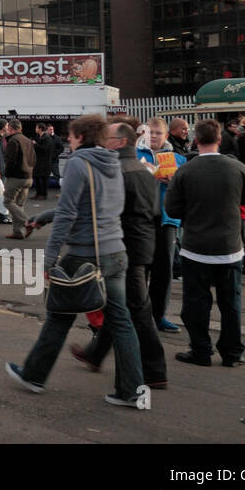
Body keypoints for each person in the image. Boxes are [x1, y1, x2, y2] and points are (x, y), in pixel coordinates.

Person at [6, 114, 145, 408]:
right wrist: (43, 217)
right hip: (115, 251)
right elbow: (94, 207)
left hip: (84, 254)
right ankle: (131, 390)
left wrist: (48, 260)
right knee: (121, 322)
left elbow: (69, 213)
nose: (68, 141)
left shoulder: (79, 164)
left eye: (70, 136)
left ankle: (34, 375)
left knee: (59, 316)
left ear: (81, 137)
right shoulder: (113, 164)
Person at [70, 122, 167, 388]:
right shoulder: (145, 170)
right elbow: (155, 212)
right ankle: (95, 353)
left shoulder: (116, 172)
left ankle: (155, 370)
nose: (102, 140)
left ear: (120, 142)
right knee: (118, 303)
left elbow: (106, 212)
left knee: (136, 309)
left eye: (107, 137)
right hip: (142, 245)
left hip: (126, 248)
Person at [165, 119, 245, 367]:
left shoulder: (185, 170)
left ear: (196, 140)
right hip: (229, 247)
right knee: (231, 303)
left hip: (196, 248)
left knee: (196, 304)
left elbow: (172, 209)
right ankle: (232, 353)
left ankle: (200, 350)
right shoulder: (235, 167)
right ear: (219, 140)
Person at [140, 116, 186, 332]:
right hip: (141, 219)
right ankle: (140, 315)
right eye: (150, 132)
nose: (154, 136)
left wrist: (172, 182)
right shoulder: (134, 155)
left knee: (164, 270)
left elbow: (185, 190)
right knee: (140, 268)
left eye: (158, 133)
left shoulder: (177, 159)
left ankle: (158, 316)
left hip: (167, 220)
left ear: (166, 136)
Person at [1, 120, 36, 238]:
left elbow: (11, 160)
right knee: (19, 204)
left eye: (7, 128)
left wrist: (7, 173)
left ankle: (27, 223)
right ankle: (17, 232)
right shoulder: (28, 140)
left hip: (16, 176)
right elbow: (34, 159)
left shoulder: (13, 141)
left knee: (8, 201)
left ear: (10, 128)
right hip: (28, 176)